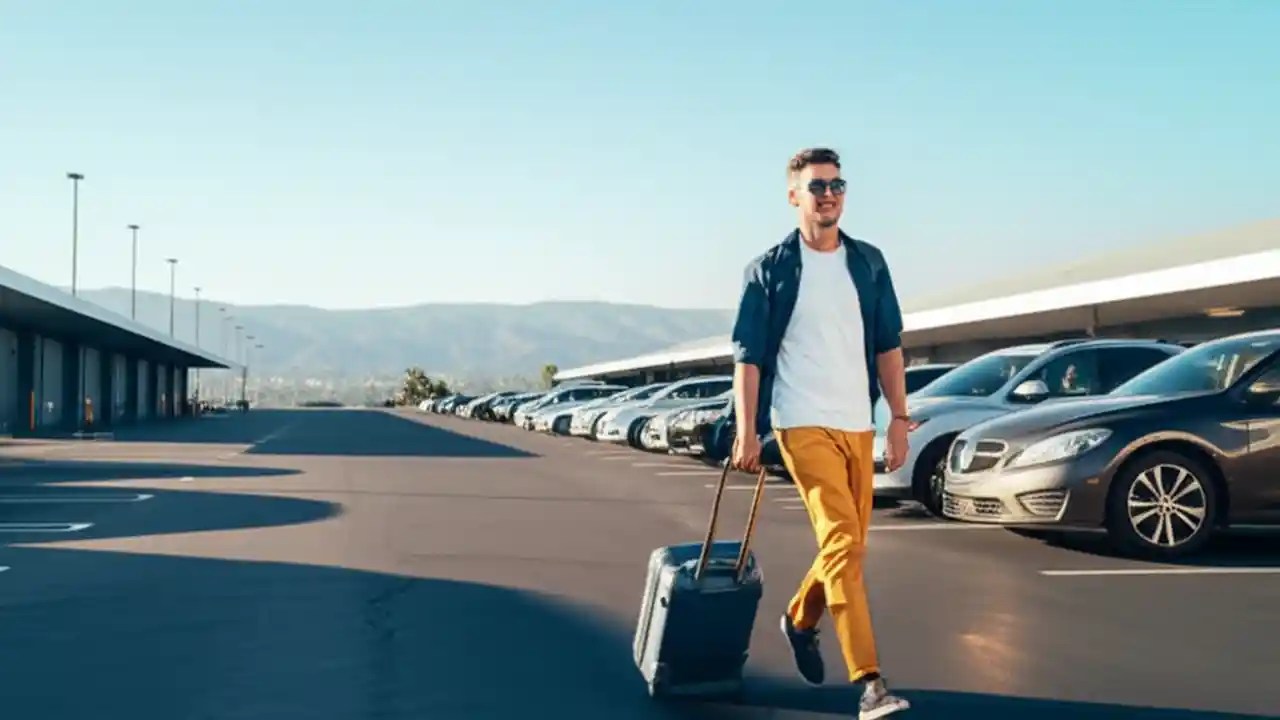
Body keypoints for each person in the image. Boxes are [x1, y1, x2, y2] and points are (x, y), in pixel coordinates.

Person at [729, 147, 912, 719]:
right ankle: (871, 683)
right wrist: (746, 431)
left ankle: (800, 617)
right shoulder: (769, 269)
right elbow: (748, 357)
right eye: (817, 186)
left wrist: (898, 420)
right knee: (842, 541)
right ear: (794, 196)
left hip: (857, 422)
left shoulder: (870, 263)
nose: (828, 194)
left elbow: (888, 346)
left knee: (848, 547)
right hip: (800, 421)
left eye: (837, 185)